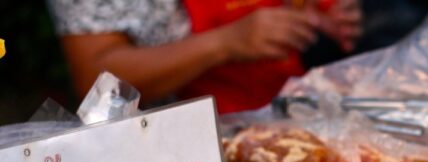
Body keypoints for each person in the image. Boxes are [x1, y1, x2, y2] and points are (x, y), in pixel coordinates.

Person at [46, 0, 362, 113]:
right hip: (170, 156)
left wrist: (320, 17)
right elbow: (97, 84)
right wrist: (225, 43)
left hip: (291, 111)